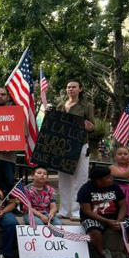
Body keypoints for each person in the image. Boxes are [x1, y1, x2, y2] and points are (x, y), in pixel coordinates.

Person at [78, 165, 129, 258]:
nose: (111, 179)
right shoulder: (85, 189)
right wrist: (107, 221)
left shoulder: (114, 186)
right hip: (94, 218)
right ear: (98, 180)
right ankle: (103, 255)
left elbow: (123, 205)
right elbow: (87, 211)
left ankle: (126, 254)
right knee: (94, 231)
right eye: (108, 177)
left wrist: (119, 220)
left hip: (116, 217)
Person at [53, 80, 94, 220]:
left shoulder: (87, 106)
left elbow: (92, 126)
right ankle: (64, 210)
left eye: (74, 87)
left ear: (80, 89)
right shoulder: (59, 105)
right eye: (68, 87)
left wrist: (90, 127)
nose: (71, 89)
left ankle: (76, 211)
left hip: (80, 144)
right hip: (62, 145)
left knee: (80, 178)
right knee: (63, 178)